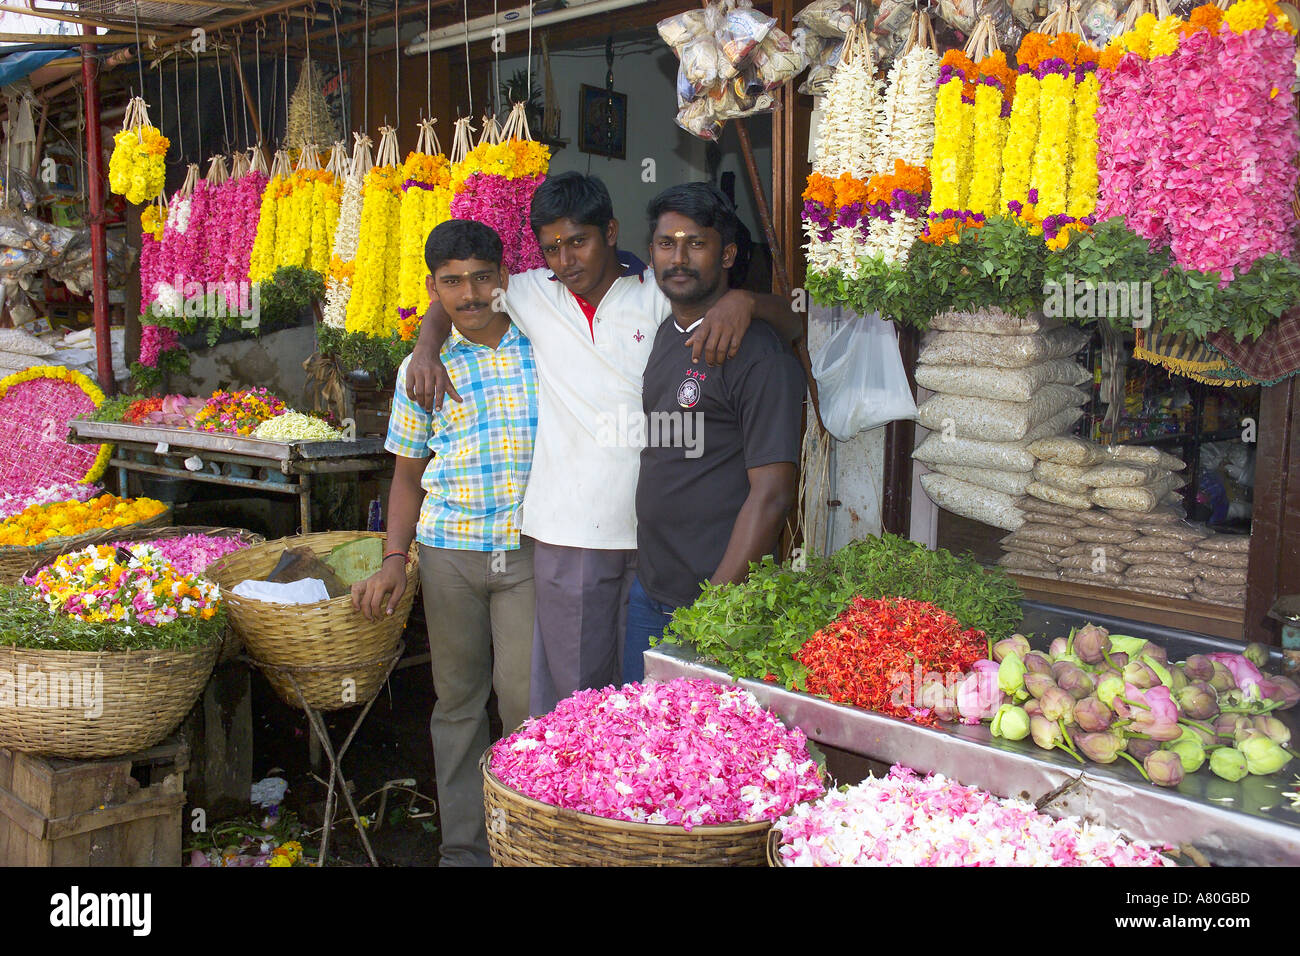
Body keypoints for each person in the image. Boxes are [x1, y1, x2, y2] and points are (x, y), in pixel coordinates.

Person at [405, 172, 803, 715]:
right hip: (571, 530)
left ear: (611, 232)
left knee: (639, 696)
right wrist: (427, 347)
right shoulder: (531, 292)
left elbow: (793, 322)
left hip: (653, 539)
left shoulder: (657, 294)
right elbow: (458, 293)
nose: (566, 260)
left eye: (579, 241)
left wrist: (746, 302)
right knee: (578, 698)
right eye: (552, 248)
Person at [351, 219, 537, 867]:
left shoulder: (541, 346)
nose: (470, 294)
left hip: (526, 552)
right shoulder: (420, 370)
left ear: (505, 277)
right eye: (452, 282)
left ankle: (527, 840)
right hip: (449, 551)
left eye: (482, 277)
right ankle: (464, 848)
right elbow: (405, 476)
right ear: (434, 288)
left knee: (523, 700)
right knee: (457, 703)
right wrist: (394, 561)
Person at [624, 183, 804, 683]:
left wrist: (712, 613)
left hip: (718, 609)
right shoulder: (667, 333)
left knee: (702, 755)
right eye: (665, 244)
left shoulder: (758, 353)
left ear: (726, 254)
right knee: (636, 746)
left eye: (695, 243)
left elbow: (772, 496)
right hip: (649, 594)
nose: (677, 257)